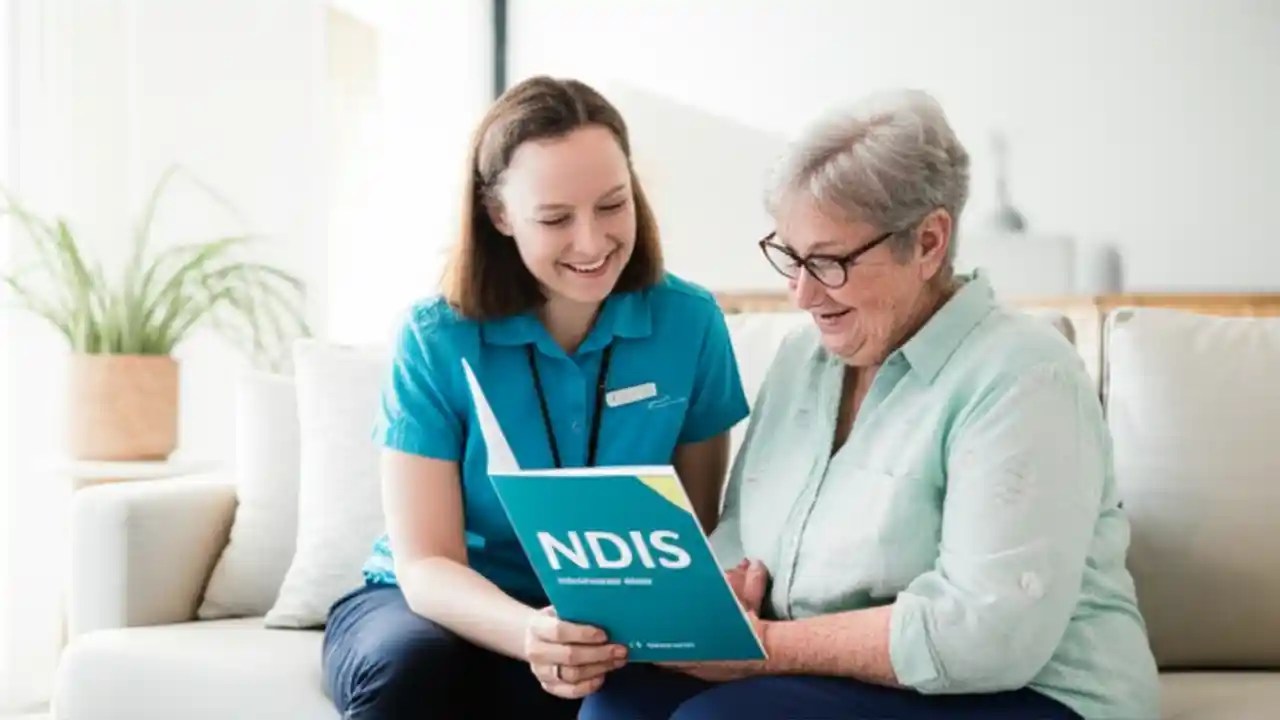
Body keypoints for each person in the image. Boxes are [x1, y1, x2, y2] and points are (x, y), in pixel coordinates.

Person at [580, 89, 1161, 720]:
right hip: (831, 678)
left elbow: (984, 634)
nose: (801, 295)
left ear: (929, 241)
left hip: (1027, 693)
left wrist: (766, 646)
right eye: (791, 257)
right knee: (620, 704)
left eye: (828, 263)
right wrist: (719, 600)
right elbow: (745, 533)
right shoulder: (803, 360)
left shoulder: (1024, 375)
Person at [320, 75, 750, 720]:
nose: (592, 242)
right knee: (412, 674)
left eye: (613, 205)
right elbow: (427, 564)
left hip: (606, 618)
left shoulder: (690, 323)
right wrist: (531, 635)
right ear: (499, 216)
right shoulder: (434, 336)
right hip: (440, 609)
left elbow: (697, 526)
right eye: (555, 218)